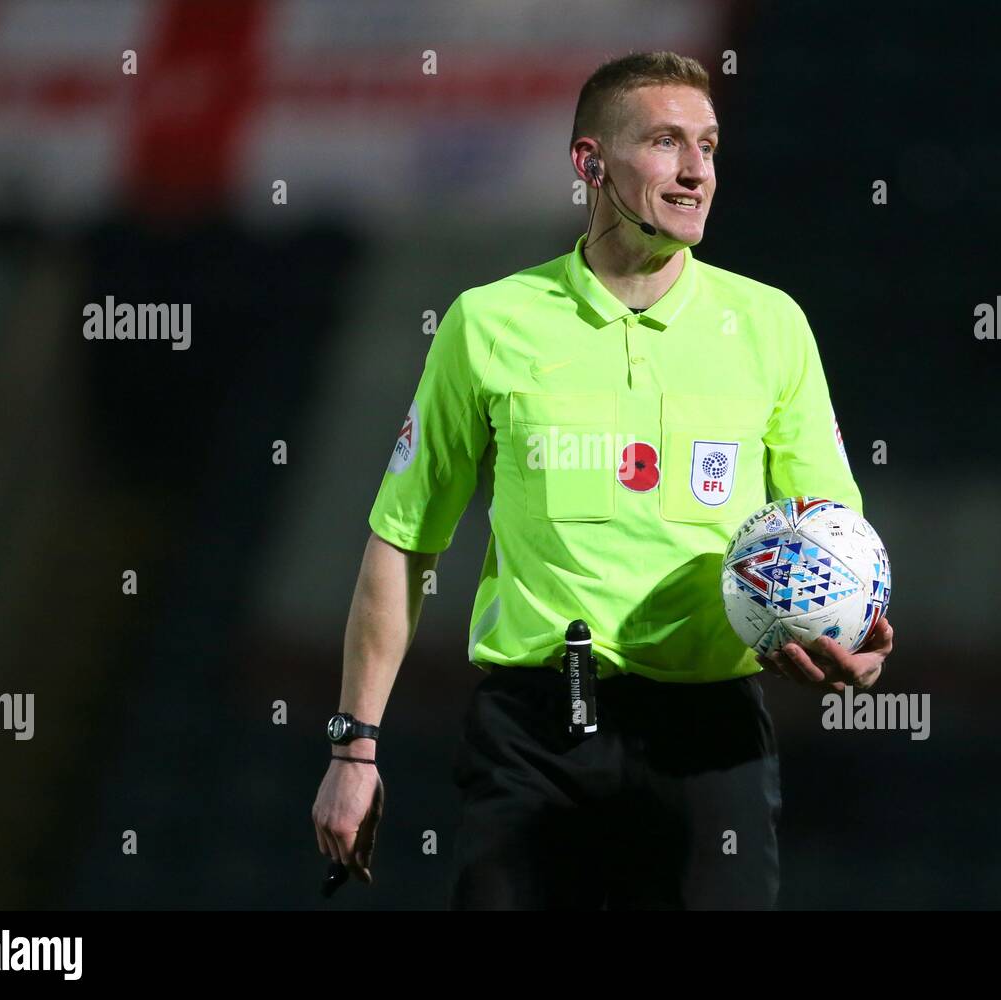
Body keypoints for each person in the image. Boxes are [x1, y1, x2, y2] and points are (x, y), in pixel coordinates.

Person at [311, 50, 893, 910]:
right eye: (666, 142)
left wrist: (860, 638)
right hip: (534, 734)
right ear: (591, 163)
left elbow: (833, 531)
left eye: (709, 145)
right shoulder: (488, 323)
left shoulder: (771, 326)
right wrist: (354, 748)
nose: (697, 170)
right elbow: (403, 542)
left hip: (711, 739)